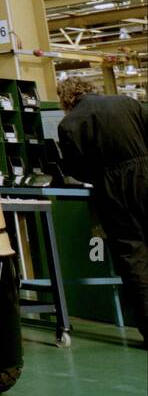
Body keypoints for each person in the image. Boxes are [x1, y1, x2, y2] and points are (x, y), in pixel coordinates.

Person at [57, 77, 148, 339]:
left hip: (111, 190)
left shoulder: (69, 124)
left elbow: (77, 168)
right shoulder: (127, 103)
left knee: (134, 259)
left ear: (66, 98)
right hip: (145, 173)